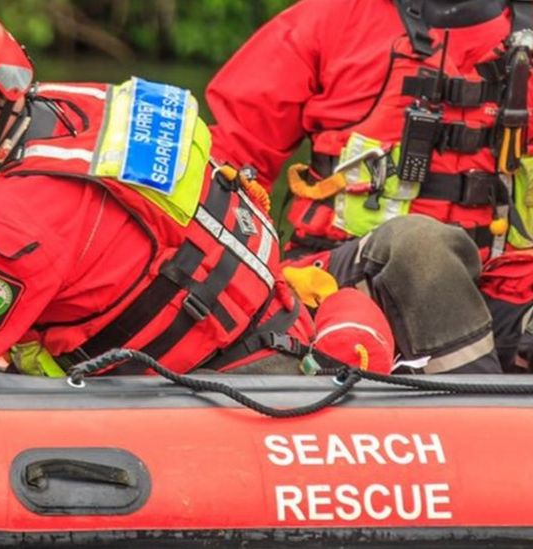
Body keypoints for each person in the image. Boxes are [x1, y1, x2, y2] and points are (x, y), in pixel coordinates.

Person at [0, 0, 323, 384]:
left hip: (231, 384)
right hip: (270, 325)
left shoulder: (15, 227)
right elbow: (15, 203)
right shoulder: (71, 106)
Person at [205, 0, 533, 373]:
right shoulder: (329, 19)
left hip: (499, 288)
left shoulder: (524, 40)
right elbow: (226, 168)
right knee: (421, 247)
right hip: (339, 276)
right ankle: (477, 418)